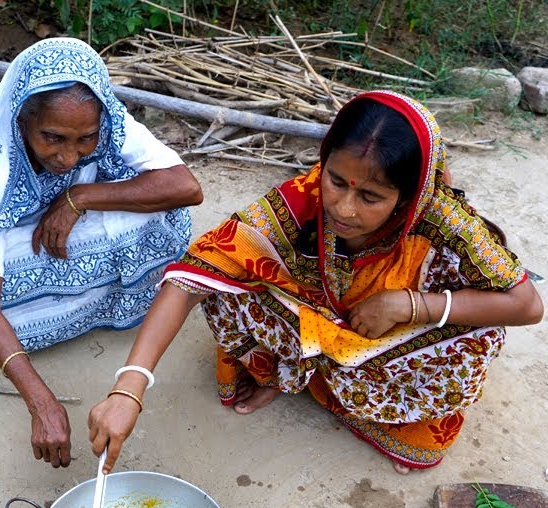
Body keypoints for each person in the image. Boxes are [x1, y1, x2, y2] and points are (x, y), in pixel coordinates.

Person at [87, 90, 544, 475]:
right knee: (224, 286)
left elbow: (526, 305)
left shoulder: (445, 220)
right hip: (323, 315)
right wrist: (128, 388)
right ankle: (294, 373)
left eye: (370, 196)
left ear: (408, 198)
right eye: (336, 181)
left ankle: (324, 380)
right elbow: (192, 275)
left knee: (473, 343)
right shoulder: (303, 198)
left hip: (397, 330)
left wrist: (410, 305)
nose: (344, 208)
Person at [0, 37, 203, 470]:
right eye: (53, 138)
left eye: (85, 140)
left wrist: (79, 197)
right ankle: (46, 311)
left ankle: (101, 303)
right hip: (13, 241)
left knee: (157, 211)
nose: (69, 155)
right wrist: (41, 402)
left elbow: (187, 187)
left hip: (70, 219)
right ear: (23, 121)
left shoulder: (107, 120)